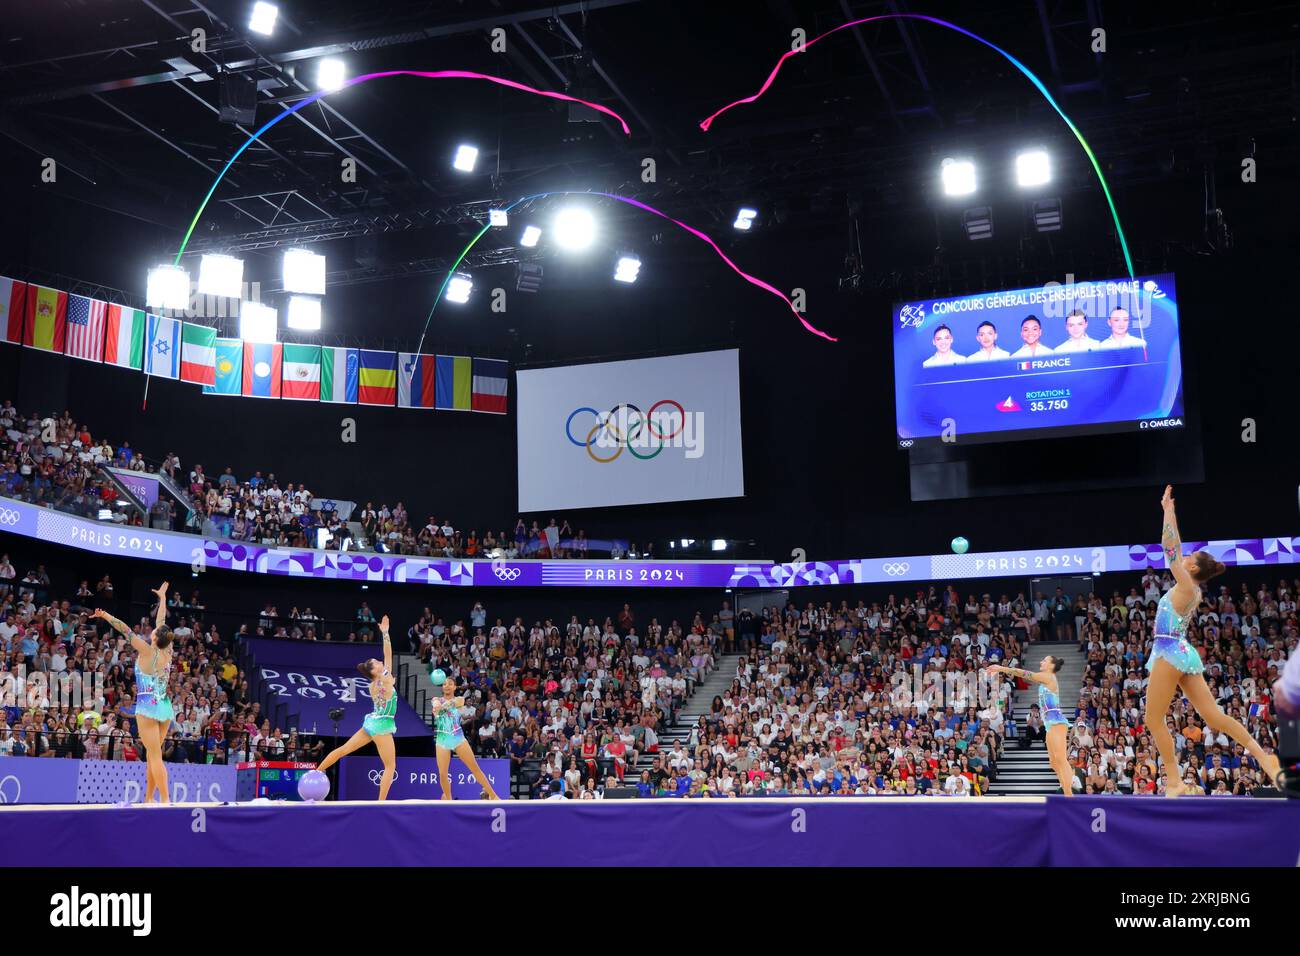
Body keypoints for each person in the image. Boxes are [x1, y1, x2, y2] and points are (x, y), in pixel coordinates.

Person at [1144, 486, 1281, 796]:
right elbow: (1175, 550)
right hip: (1181, 650)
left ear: (1192, 567)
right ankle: (1265, 758)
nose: (1184, 557)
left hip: (1169, 650)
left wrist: (1168, 511)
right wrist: (1170, 513)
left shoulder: (1187, 586)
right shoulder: (1194, 591)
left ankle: (1175, 781)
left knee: (1153, 719)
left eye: (1189, 557)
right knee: (1214, 717)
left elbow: (1169, 548)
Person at [91, 582, 174, 804]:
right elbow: (162, 621)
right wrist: (163, 599)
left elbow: (125, 630)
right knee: (151, 755)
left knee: (155, 756)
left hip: (148, 707)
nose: (153, 630)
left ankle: (166, 801)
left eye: (154, 631)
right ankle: (149, 798)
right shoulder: (168, 650)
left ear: (155, 638)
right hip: (165, 707)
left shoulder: (147, 651)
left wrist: (105, 615)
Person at [314, 615, 398, 799]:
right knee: (390, 766)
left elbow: (387, 655)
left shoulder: (375, 682)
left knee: (344, 749)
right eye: (377, 662)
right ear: (373, 670)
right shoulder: (382, 678)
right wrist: (385, 634)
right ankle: (381, 803)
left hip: (372, 723)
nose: (380, 661)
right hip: (382, 724)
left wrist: (385, 633)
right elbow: (388, 654)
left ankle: (317, 772)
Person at [989, 658, 1074, 796]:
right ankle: (1065, 789)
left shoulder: (1048, 676)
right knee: (1053, 762)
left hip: (1057, 722)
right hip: (1050, 724)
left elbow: (1025, 674)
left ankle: (1069, 794)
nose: (1041, 662)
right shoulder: (1046, 678)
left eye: (1044, 660)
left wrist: (1001, 668)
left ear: (1051, 665)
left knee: (1061, 759)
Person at [428, 669, 500, 800]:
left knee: (475, 768)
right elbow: (436, 706)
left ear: (455, 687)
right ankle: (448, 800)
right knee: (443, 774)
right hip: (442, 739)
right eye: (444, 684)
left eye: (450, 683)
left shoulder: (460, 699)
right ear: (442, 687)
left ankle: (493, 795)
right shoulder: (436, 699)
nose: (447, 686)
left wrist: (443, 707)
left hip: (458, 738)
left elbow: (456, 703)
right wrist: (438, 706)